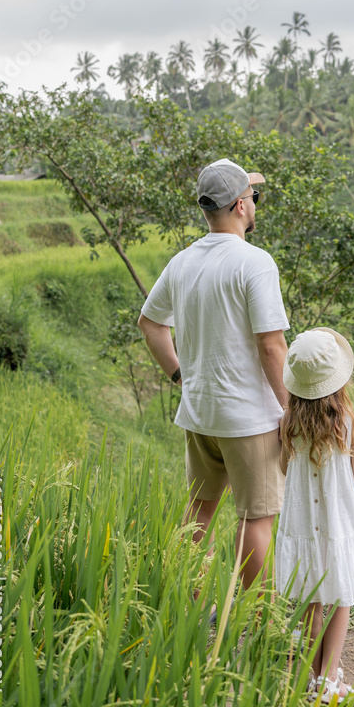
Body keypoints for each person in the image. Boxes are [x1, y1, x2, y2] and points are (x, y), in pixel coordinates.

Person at [138, 157, 289, 593]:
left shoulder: (183, 261)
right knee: (255, 518)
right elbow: (271, 344)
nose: (256, 204)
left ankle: (187, 602)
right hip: (248, 419)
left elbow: (151, 325)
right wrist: (291, 409)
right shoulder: (254, 262)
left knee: (199, 511)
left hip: (199, 413)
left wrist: (180, 376)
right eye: (254, 196)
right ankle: (258, 620)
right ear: (241, 205)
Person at [275, 328, 354, 704]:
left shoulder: (288, 423)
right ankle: (330, 681)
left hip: (301, 527)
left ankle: (313, 678)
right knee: (340, 599)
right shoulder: (350, 423)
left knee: (311, 600)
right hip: (339, 526)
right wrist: (349, 520)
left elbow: (285, 468)